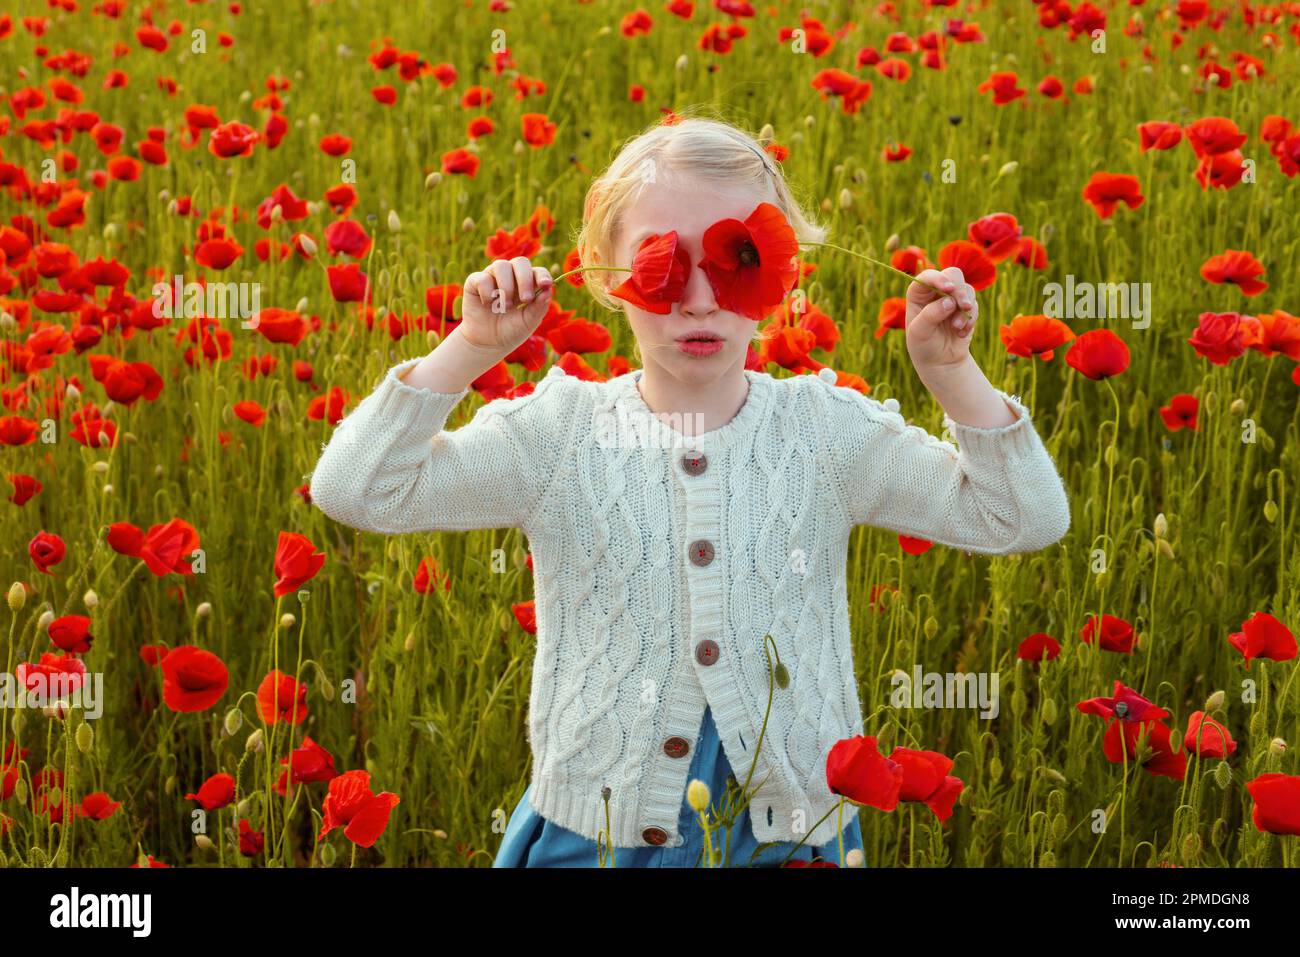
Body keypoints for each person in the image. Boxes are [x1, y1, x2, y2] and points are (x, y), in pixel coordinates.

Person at [308, 114, 1071, 868]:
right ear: (604, 275)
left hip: (786, 834)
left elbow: (1022, 514)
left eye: (736, 258)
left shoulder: (824, 433)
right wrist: (469, 348)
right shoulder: (558, 436)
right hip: (596, 829)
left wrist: (950, 373)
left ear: (781, 272)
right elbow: (357, 489)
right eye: (662, 266)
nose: (700, 300)